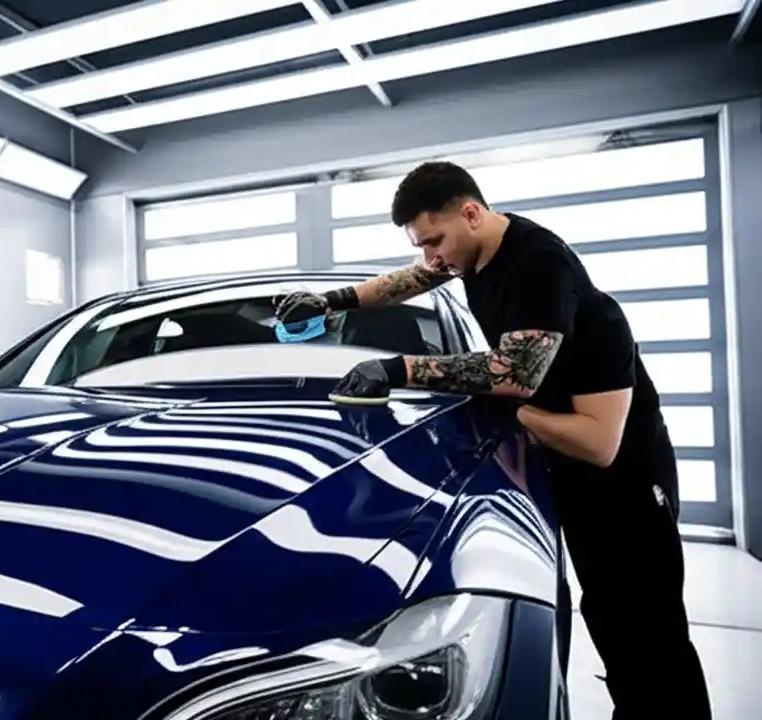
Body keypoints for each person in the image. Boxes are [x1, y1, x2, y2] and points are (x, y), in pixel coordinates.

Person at [275, 161, 712, 719]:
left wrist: (398, 369)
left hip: (624, 472)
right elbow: (412, 279)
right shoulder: (470, 251)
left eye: (434, 240)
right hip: (569, 459)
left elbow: (515, 373)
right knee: (609, 616)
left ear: (471, 214)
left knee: (648, 627)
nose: (431, 257)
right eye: (421, 244)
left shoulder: (538, 265)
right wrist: (333, 300)